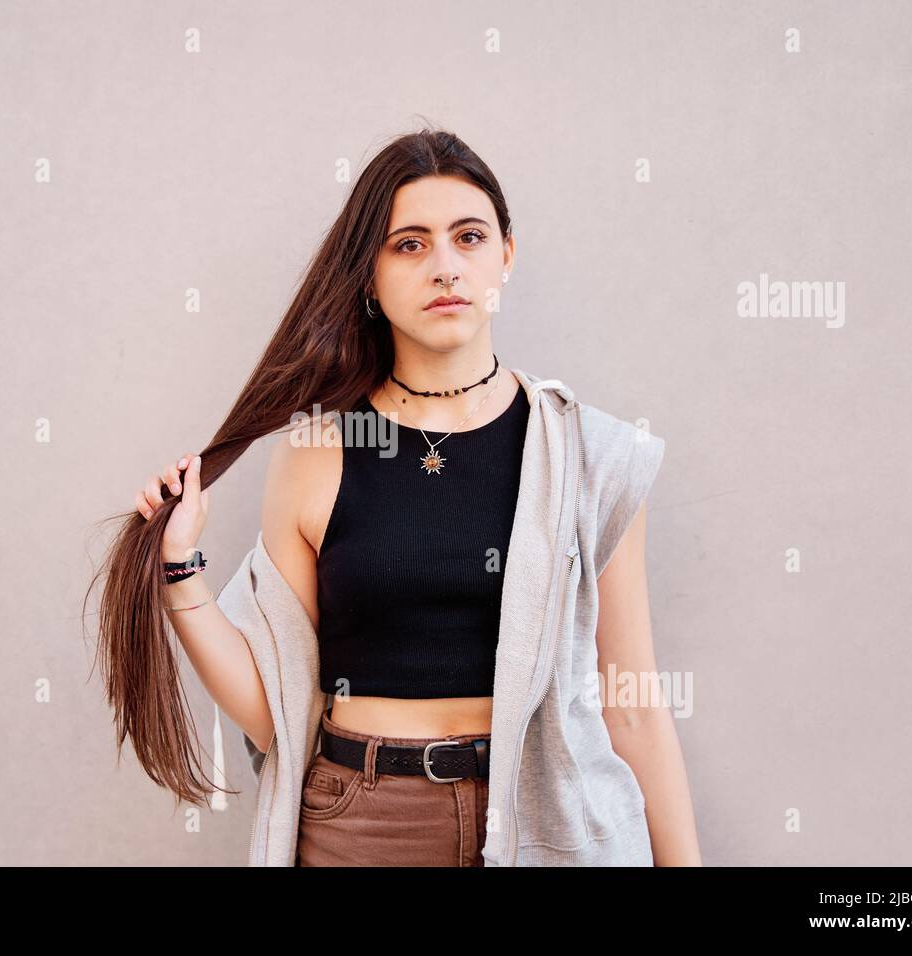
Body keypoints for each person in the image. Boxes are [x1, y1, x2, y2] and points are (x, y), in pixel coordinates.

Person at [87, 128, 701, 866]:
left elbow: (630, 704)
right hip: (364, 824)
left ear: (506, 255)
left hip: (549, 821)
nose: (445, 265)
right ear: (370, 276)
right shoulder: (315, 454)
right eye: (408, 244)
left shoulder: (591, 455)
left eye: (468, 237)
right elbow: (279, 712)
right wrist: (179, 571)